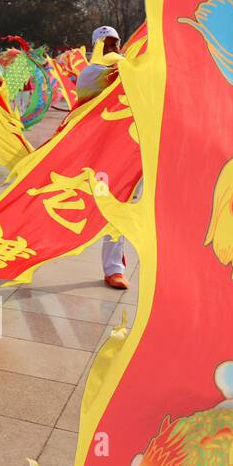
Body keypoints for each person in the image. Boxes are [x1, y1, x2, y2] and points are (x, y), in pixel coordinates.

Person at [74, 25, 132, 290]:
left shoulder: (129, 68)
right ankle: (36, 250)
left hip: (126, 152)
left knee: (119, 211)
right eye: (105, 44)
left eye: (115, 43)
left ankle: (116, 269)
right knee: (100, 211)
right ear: (95, 47)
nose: (112, 48)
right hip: (97, 154)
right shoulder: (90, 75)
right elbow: (119, 78)